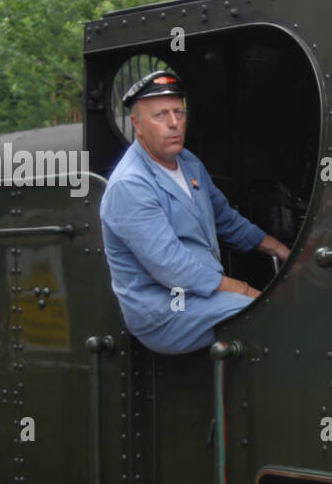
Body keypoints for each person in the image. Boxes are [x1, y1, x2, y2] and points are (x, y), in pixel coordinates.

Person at [99, 69, 290, 354]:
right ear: (136, 124)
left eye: (179, 112)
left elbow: (225, 219)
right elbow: (172, 267)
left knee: (271, 308)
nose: (173, 123)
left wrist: (282, 251)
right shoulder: (130, 185)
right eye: (160, 115)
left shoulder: (189, 163)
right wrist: (245, 290)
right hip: (166, 310)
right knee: (265, 315)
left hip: (202, 295)